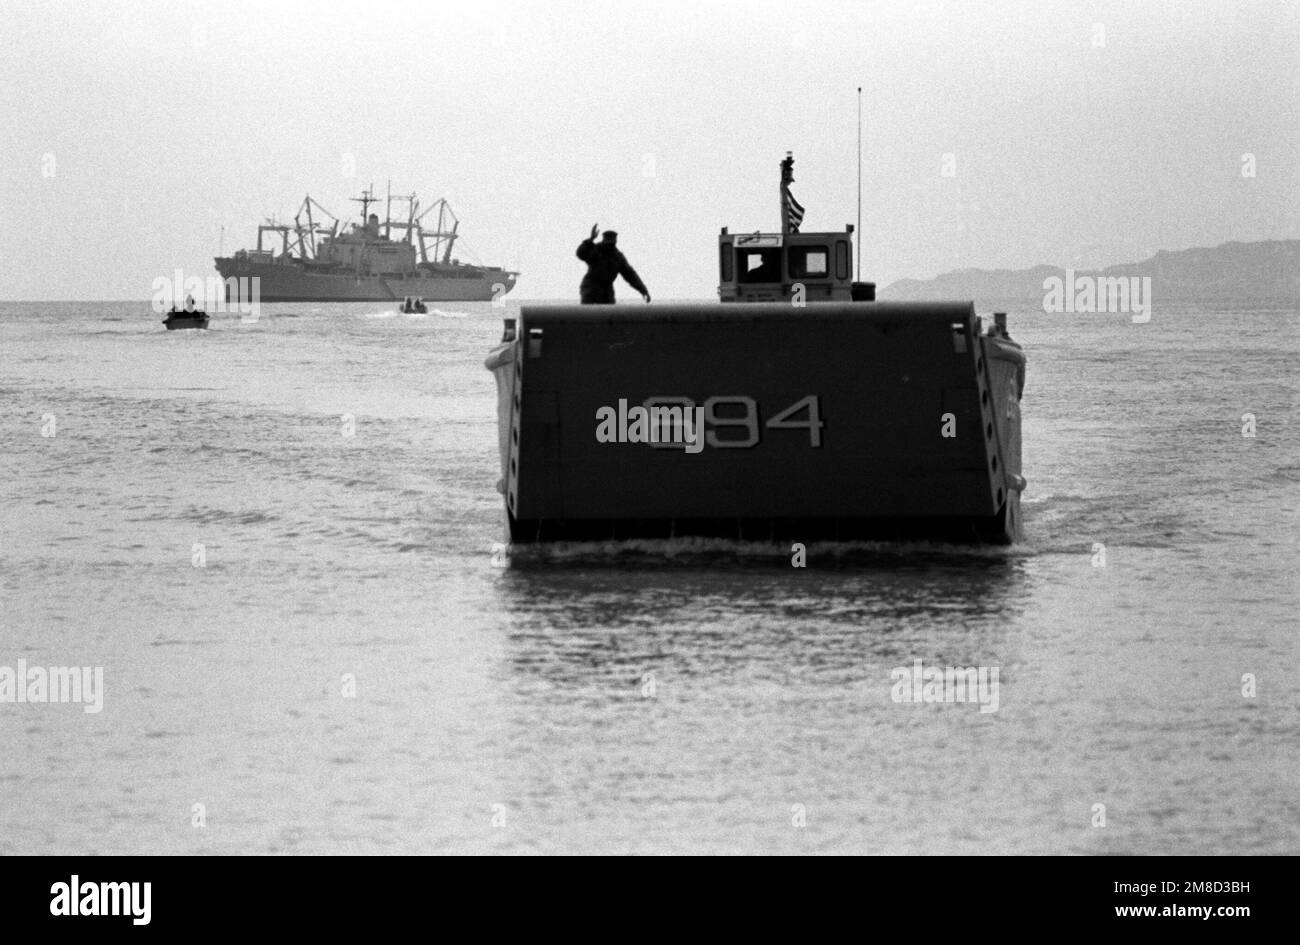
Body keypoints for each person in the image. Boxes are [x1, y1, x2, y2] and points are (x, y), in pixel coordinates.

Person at [576, 225, 650, 304]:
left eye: (611, 244)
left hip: (607, 291)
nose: (609, 247)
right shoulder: (596, 250)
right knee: (589, 314)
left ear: (615, 243)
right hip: (591, 289)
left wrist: (643, 290)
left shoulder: (618, 257)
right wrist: (590, 240)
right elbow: (581, 253)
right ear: (603, 241)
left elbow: (630, 275)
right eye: (607, 244)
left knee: (608, 314)